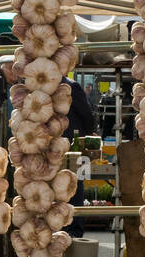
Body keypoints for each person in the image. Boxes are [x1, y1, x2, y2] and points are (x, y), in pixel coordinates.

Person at [62, 76, 95, 239]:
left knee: (75, 186)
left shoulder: (71, 86)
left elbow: (87, 115)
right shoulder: (70, 85)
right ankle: (72, 227)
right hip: (70, 144)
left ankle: (74, 228)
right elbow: (88, 116)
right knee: (74, 186)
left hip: (75, 144)